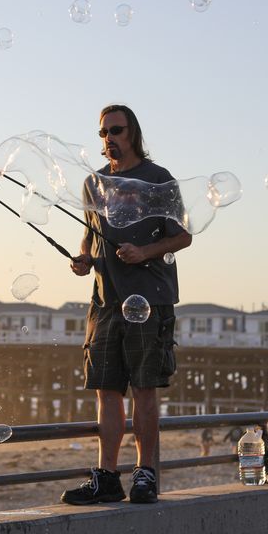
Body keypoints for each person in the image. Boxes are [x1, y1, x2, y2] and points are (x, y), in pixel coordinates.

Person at [61, 105, 192, 505]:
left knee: (144, 389)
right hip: (104, 302)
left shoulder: (159, 179)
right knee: (106, 390)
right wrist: (83, 261)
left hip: (148, 300)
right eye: (103, 133)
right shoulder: (93, 184)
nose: (108, 139)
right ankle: (106, 476)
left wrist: (145, 252)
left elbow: (183, 237)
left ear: (133, 132)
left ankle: (145, 475)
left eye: (115, 130)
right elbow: (90, 238)